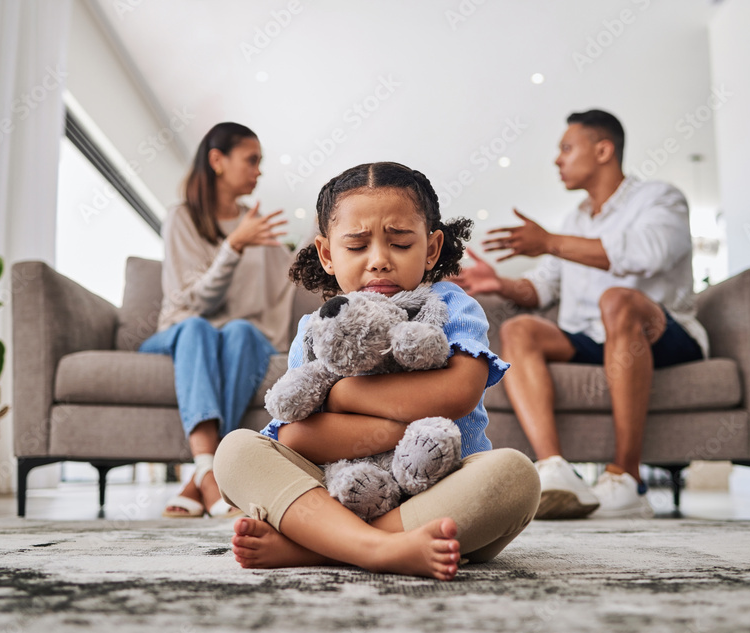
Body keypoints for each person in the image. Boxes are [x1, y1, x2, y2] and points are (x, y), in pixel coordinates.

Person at [213, 161, 540, 581]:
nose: (379, 262)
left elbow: (459, 393)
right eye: (356, 247)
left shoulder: (450, 304)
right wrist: (401, 419)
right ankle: (381, 548)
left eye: (401, 244)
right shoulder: (316, 329)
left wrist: (341, 395)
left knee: (515, 476)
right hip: (338, 487)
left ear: (432, 248)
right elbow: (295, 437)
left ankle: (322, 546)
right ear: (327, 254)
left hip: (440, 489)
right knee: (236, 451)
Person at [454, 109, 708, 520]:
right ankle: (555, 468)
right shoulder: (574, 220)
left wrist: (550, 241)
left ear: (604, 149)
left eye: (567, 149)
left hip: (662, 336)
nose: (558, 159)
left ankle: (627, 477)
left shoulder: (659, 198)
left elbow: (648, 254)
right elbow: (541, 288)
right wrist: (499, 284)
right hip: (594, 340)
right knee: (520, 329)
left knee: (617, 300)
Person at [139, 122, 294, 518]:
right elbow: (193, 301)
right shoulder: (182, 218)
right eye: (252, 160)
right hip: (181, 332)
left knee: (242, 330)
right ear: (217, 161)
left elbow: (290, 278)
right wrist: (234, 246)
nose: (259, 170)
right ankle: (216, 477)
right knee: (197, 326)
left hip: (235, 338)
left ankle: (203, 475)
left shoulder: (257, 226)